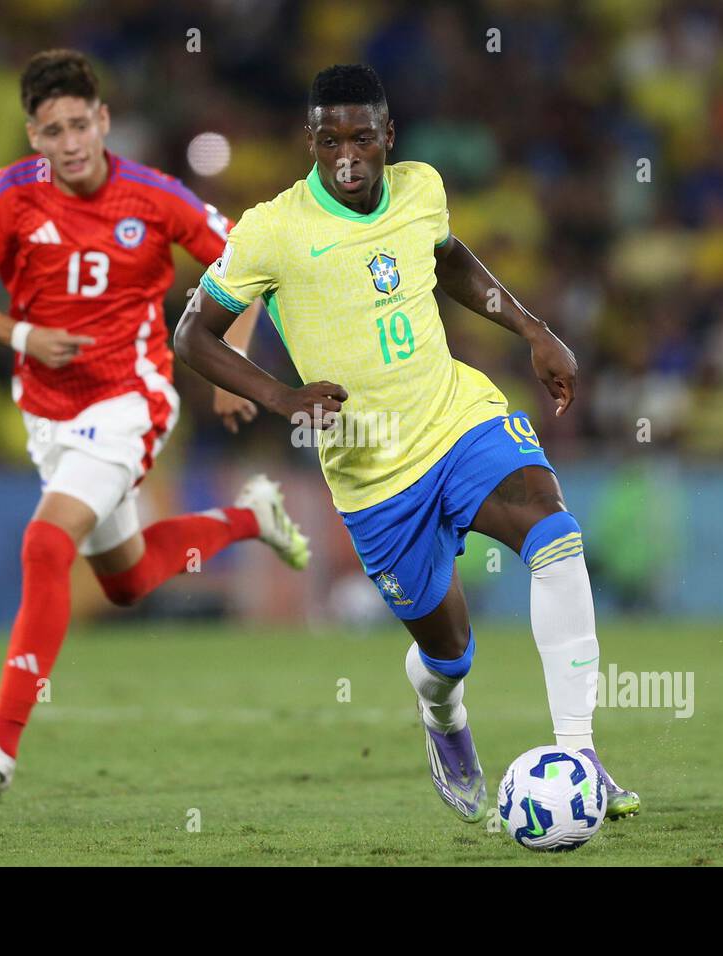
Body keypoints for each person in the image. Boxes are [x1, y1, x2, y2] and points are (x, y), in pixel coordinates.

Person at [175, 64, 639, 823]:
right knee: (449, 651)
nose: (347, 156)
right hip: (372, 470)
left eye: (362, 137)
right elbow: (192, 333)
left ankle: (581, 755)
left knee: (553, 531)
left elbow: (448, 258)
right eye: (330, 140)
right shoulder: (272, 230)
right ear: (312, 142)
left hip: (455, 416)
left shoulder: (422, 187)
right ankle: (444, 716)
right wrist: (280, 395)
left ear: (388, 137)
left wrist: (531, 327)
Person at [0, 49, 308, 791]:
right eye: (51, 131)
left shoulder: (153, 196)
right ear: (32, 137)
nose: (69, 142)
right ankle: (251, 518)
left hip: (130, 398)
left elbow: (247, 265)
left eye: (80, 124)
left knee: (45, 547)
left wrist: (231, 364)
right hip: (47, 412)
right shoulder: (8, 196)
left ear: (103, 120)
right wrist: (23, 335)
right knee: (129, 580)